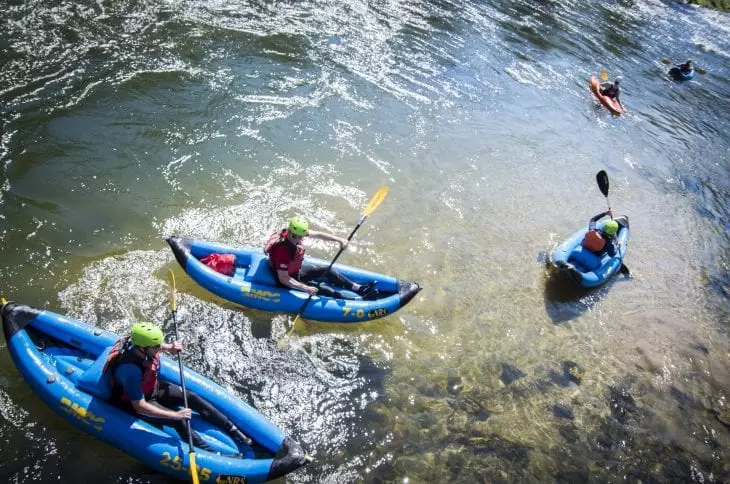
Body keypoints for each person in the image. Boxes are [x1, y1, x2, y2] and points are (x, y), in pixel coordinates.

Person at [104, 322, 252, 452]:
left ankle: (231, 428)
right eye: (156, 346)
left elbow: (153, 346)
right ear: (142, 348)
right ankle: (210, 453)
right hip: (138, 402)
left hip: (152, 388)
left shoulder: (140, 345)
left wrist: (169, 347)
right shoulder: (130, 371)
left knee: (191, 397)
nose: (158, 348)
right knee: (179, 421)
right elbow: (139, 406)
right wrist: (175, 415)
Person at [264, 216, 378, 300]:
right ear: (289, 231)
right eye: (294, 236)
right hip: (286, 279)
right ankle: (358, 300)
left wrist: (339, 240)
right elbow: (284, 278)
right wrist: (305, 288)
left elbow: (318, 235)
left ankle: (358, 288)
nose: (297, 240)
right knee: (324, 290)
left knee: (327, 270)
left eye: (300, 237)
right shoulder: (282, 251)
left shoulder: (297, 232)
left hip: (295, 271)